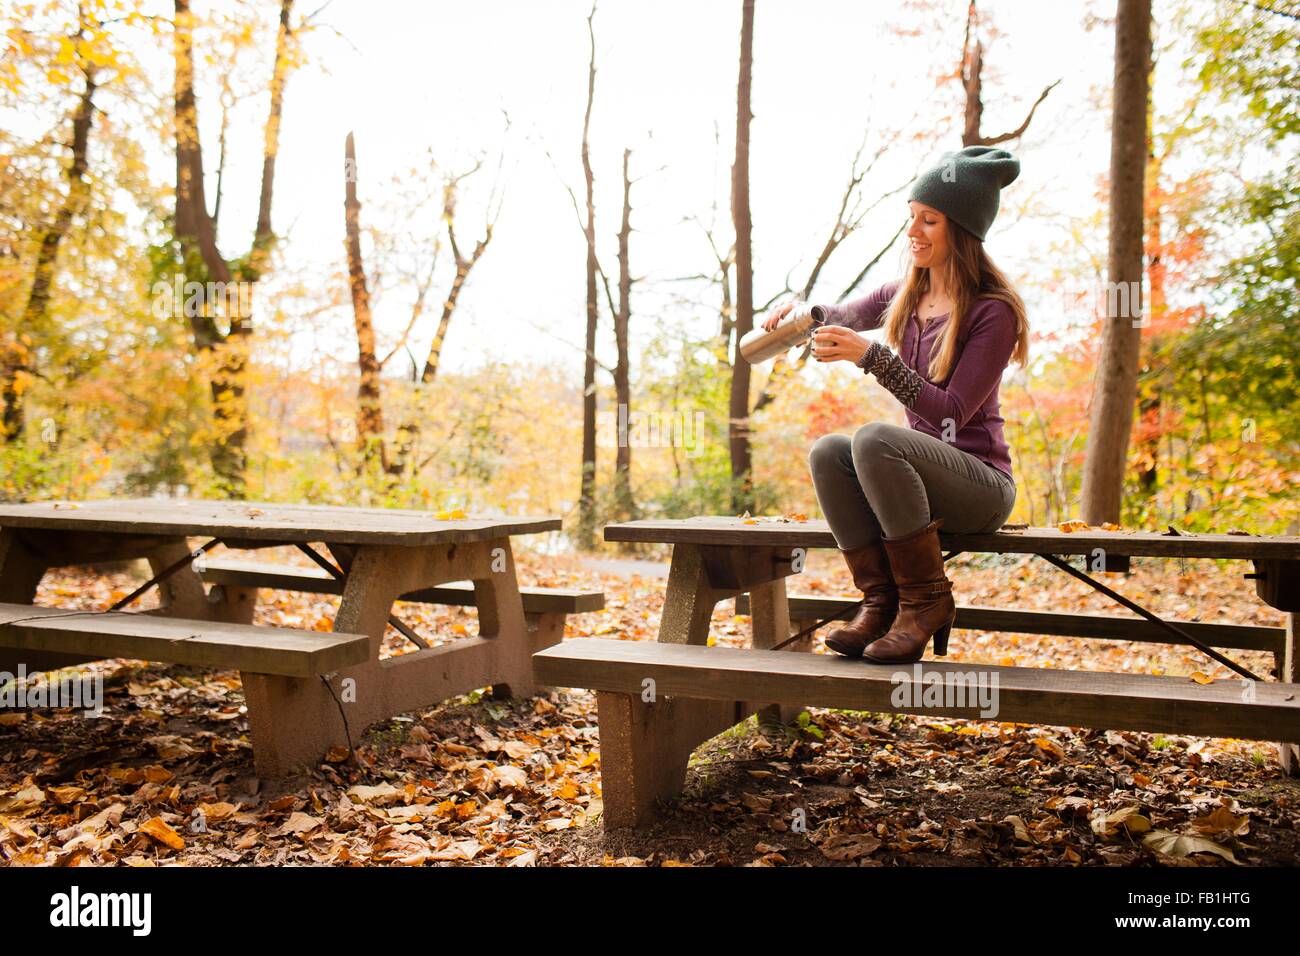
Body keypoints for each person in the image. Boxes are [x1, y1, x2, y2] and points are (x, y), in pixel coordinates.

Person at [762, 145, 1030, 664]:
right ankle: (881, 602)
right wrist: (803, 313)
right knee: (829, 452)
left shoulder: (993, 313)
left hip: (980, 487)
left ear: (964, 230)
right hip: (916, 492)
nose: (914, 231)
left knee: (874, 438)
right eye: (911, 217)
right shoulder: (905, 293)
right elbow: (838, 312)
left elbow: (951, 415)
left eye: (930, 220)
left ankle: (926, 603)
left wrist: (875, 359)